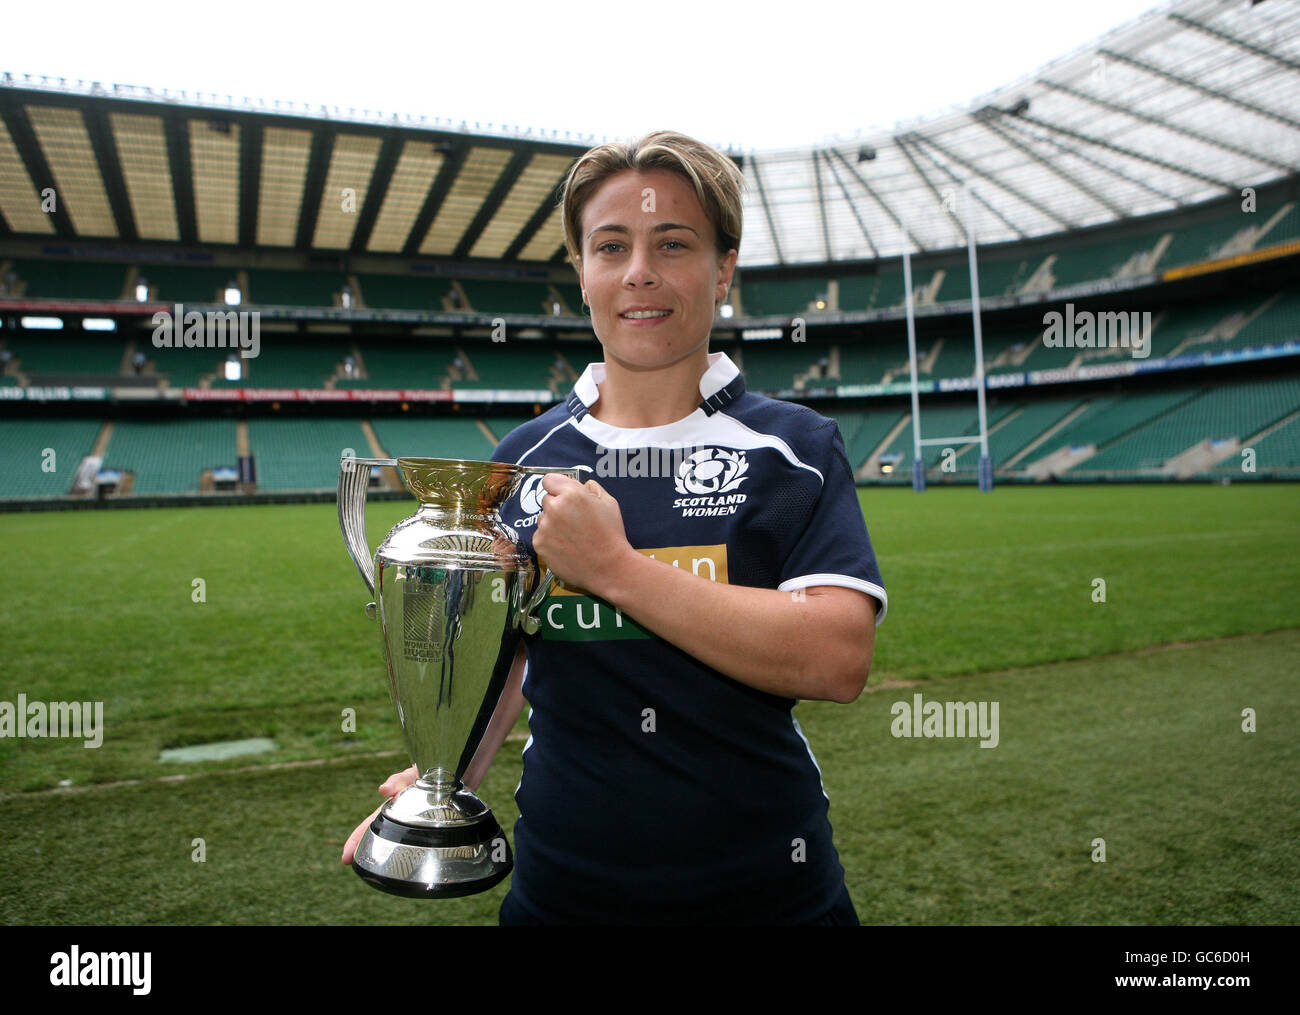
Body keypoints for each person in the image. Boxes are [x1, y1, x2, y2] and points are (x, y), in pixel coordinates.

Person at [342, 130, 887, 925]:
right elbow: (511, 651)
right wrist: (444, 778)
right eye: (611, 246)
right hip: (564, 891)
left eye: (674, 243)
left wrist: (617, 570)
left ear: (723, 267)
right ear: (583, 273)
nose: (640, 272)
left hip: (768, 892)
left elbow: (838, 656)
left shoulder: (795, 449)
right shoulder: (522, 459)